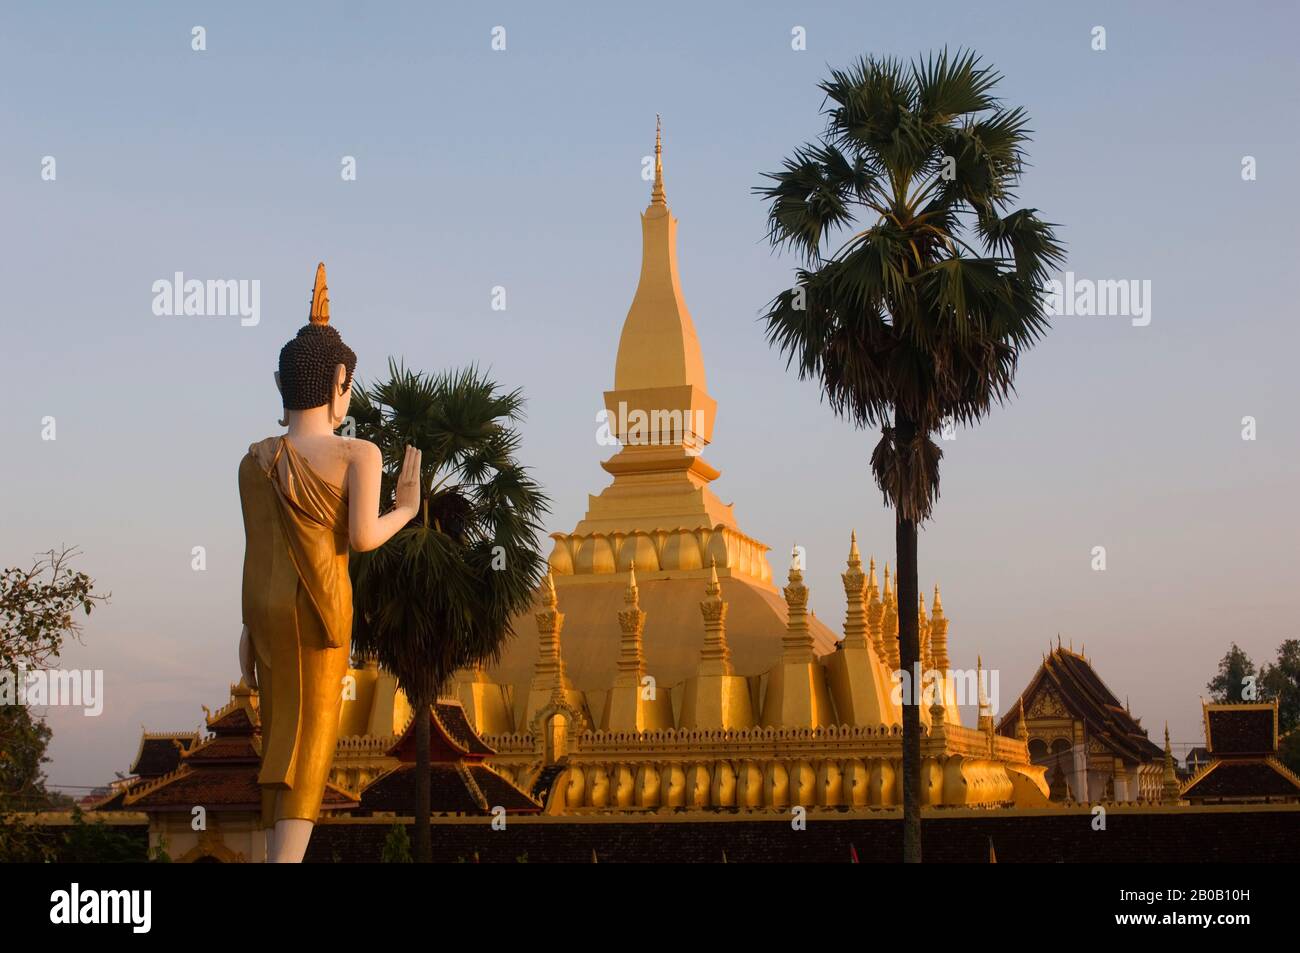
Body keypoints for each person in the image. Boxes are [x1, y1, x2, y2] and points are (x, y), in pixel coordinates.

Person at [237, 262, 420, 863]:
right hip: (319, 612)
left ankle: (274, 857)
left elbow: (257, 548)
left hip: (264, 613)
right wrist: (407, 508)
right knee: (312, 736)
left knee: (276, 739)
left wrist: (246, 627)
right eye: (348, 386)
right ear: (340, 380)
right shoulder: (355, 453)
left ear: (279, 382)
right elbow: (364, 538)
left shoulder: (254, 460)